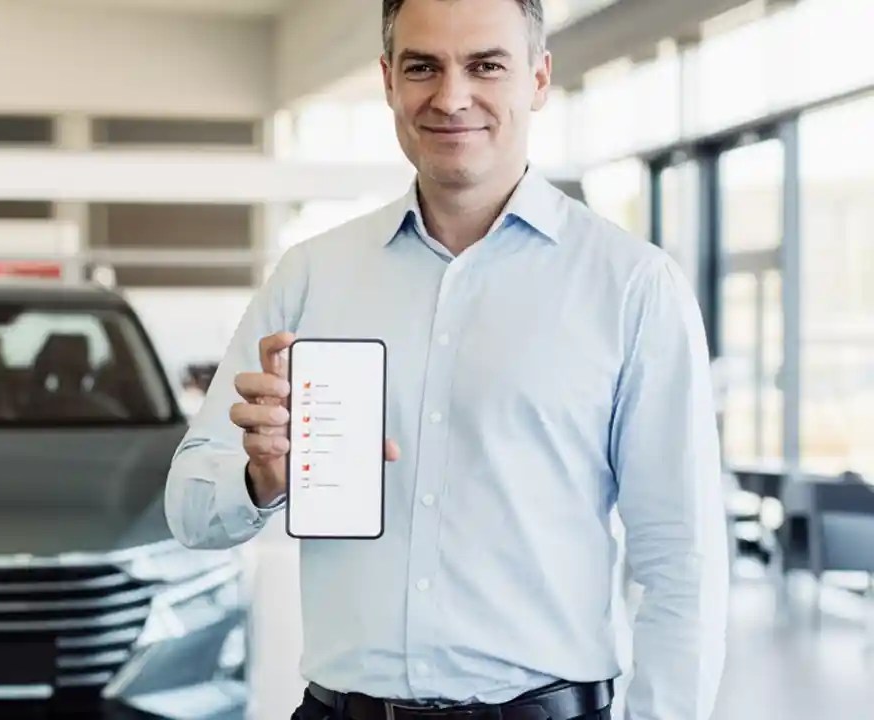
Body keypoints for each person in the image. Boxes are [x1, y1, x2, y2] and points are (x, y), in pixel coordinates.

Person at [164, 0, 729, 718]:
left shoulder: (630, 286)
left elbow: (683, 563)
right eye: (422, 67)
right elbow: (188, 508)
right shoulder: (312, 275)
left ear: (539, 78)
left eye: (485, 65)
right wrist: (261, 476)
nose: (450, 96)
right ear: (388, 80)